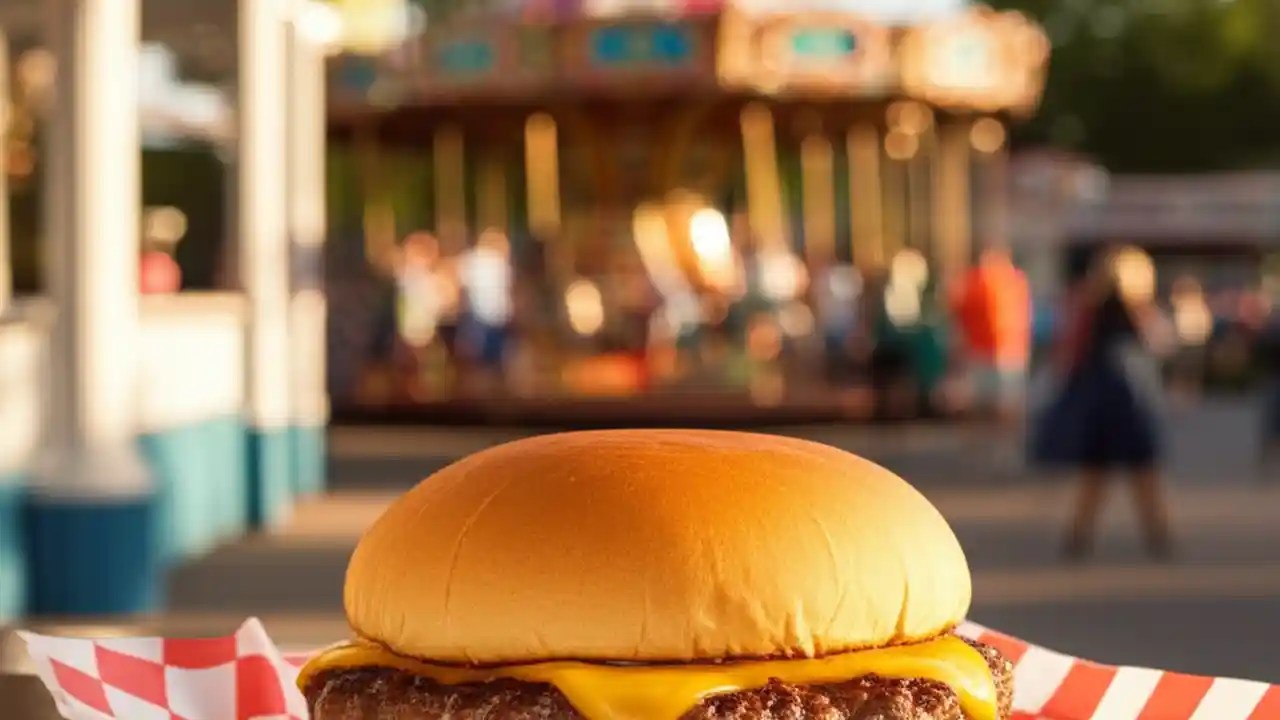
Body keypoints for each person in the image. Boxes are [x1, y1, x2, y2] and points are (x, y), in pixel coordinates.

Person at [1038, 247, 1173, 561]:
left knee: (1096, 475)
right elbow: (1159, 342)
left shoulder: (1090, 308)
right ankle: (1157, 534)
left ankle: (1080, 536)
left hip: (1099, 404)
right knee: (1142, 473)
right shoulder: (1134, 310)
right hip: (1129, 404)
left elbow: (1069, 352)